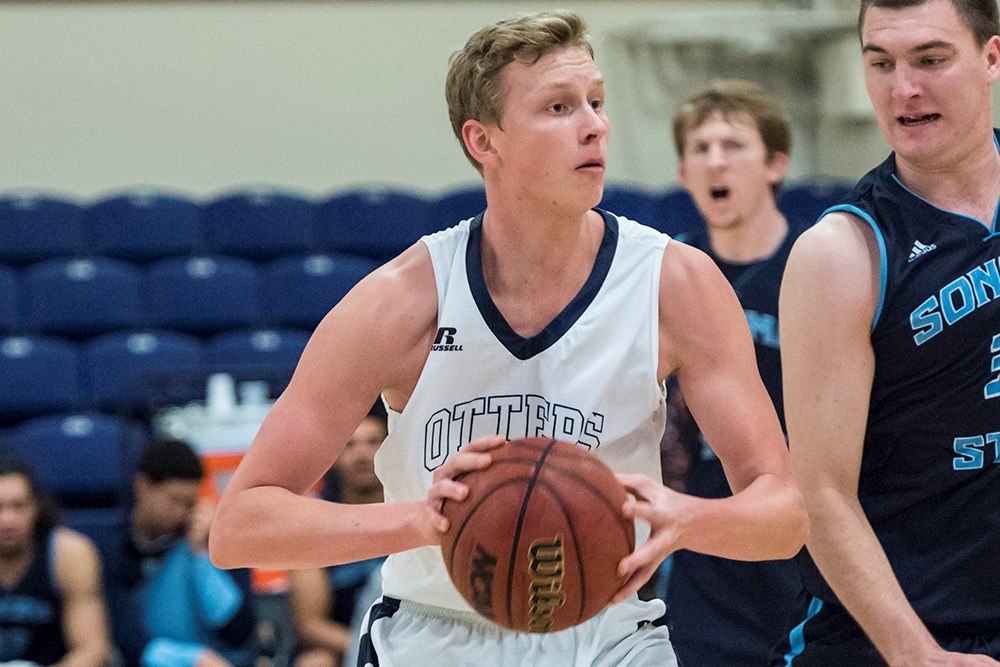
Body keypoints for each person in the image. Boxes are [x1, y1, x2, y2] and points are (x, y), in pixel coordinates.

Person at [210, 10, 807, 667]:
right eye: (558, 106)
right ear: (483, 140)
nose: (594, 124)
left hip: (609, 633)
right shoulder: (397, 303)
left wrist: (686, 517)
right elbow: (240, 528)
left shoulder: (675, 283)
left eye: (597, 101)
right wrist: (419, 522)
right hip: (434, 632)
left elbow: (783, 514)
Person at [774, 0, 1000, 664]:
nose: (903, 89)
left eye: (930, 59)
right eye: (880, 63)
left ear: (992, 58)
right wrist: (916, 653)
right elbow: (820, 492)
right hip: (884, 638)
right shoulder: (842, 254)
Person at [659, 79, 806, 666]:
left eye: (733, 144)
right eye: (700, 147)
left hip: (805, 515)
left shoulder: (821, 266)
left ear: (775, 164)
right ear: (683, 172)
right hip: (706, 523)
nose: (715, 159)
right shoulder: (664, 274)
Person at [100, 438, 258, 667]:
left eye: (190, 503)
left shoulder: (217, 542)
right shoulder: (115, 549)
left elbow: (239, 633)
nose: (182, 513)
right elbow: (127, 640)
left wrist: (201, 556)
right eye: (174, 500)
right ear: (142, 486)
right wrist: (193, 659)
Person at [289, 411, 388, 667]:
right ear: (332, 456)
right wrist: (373, 649)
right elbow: (311, 626)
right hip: (343, 647)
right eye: (350, 444)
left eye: (373, 442)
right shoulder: (312, 524)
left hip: (410, 636)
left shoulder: (418, 508)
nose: (363, 454)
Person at [0, 456, 112, 667]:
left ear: (36, 507)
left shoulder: (69, 554)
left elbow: (92, 649)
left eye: (18, 506)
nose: (8, 520)